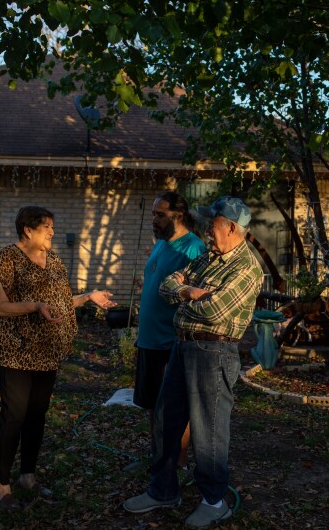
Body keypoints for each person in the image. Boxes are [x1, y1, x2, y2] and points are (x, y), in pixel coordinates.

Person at [123, 196, 264, 529]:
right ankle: (162, 490)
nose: (206, 229)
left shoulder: (246, 268)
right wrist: (189, 292)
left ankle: (214, 502)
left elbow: (214, 311)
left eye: (212, 224)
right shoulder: (208, 257)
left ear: (231, 227)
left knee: (208, 432)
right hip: (182, 347)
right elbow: (168, 285)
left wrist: (187, 295)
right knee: (165, 420)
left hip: (213, 354)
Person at [0, 205, 116, 510]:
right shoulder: (7, 259)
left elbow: (58, 302)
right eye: (47, 227)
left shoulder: (54, 261)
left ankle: (27, 474)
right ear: (27, 230)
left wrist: (87, 297)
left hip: (47, 351)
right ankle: (1, 484)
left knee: (37, 413)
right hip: (14, 349)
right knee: (14, 414)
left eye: (53, 227)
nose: (52, 232)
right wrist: (34, 306)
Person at [133, 192, 206, 470]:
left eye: (160, 214)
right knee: (153, 405)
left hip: (171, 342)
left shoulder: (192, 248)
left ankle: (178, 464)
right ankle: (158, 459)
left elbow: (198, 296)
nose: (154, 220)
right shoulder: (162, 244)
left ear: (178, 215)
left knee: (174, 409)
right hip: (149, 340)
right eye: (153, 214)